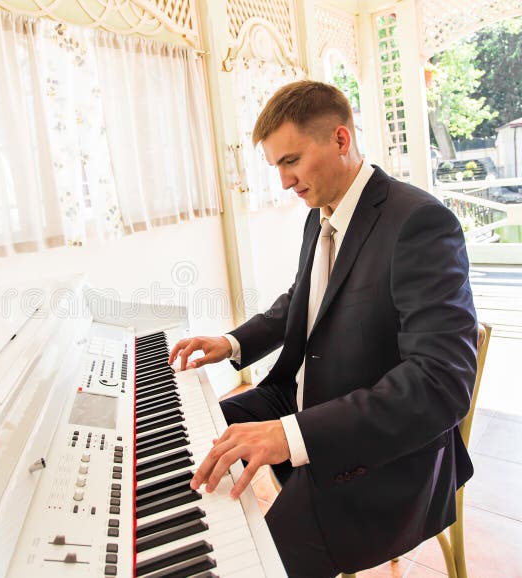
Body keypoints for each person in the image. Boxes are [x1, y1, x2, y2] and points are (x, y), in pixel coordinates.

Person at [168, 80, 477, 577]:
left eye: (291, 161)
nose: (285, 182)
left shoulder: (419, 222)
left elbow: (441, 384)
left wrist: (289, 435)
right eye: (276, 168)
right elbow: (304, 299)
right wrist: (231, 343)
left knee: (256, 561)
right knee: (198, 436)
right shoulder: (321, 214)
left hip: (385, 458)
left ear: (339, 139)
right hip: (305, 399)